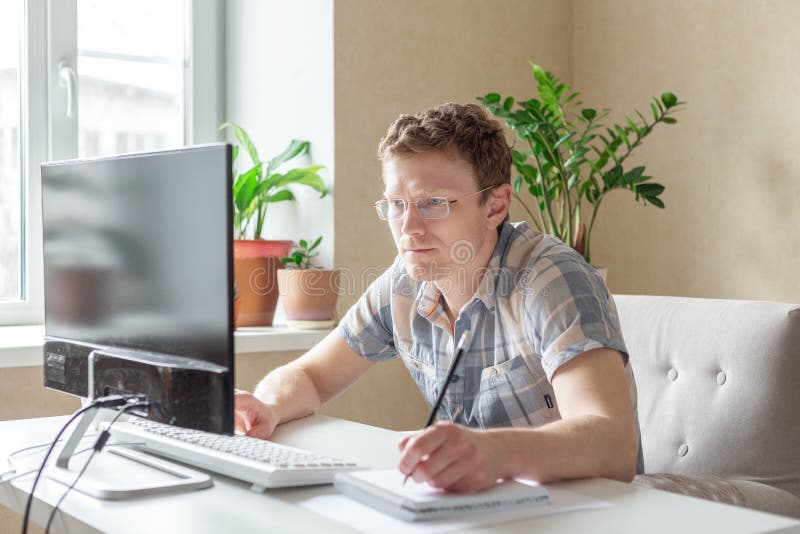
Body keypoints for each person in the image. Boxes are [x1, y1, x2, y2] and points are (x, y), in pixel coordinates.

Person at [234, 102, 642, 493]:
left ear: (495, 205)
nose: (408, 228)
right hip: (478, 510)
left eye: (433, 203)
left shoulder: (551, 279)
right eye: (396, 205)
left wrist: (495, 452)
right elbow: (310, 376)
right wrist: (267, 407)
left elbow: (612, 442)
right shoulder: (404, 284)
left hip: (587, 511)